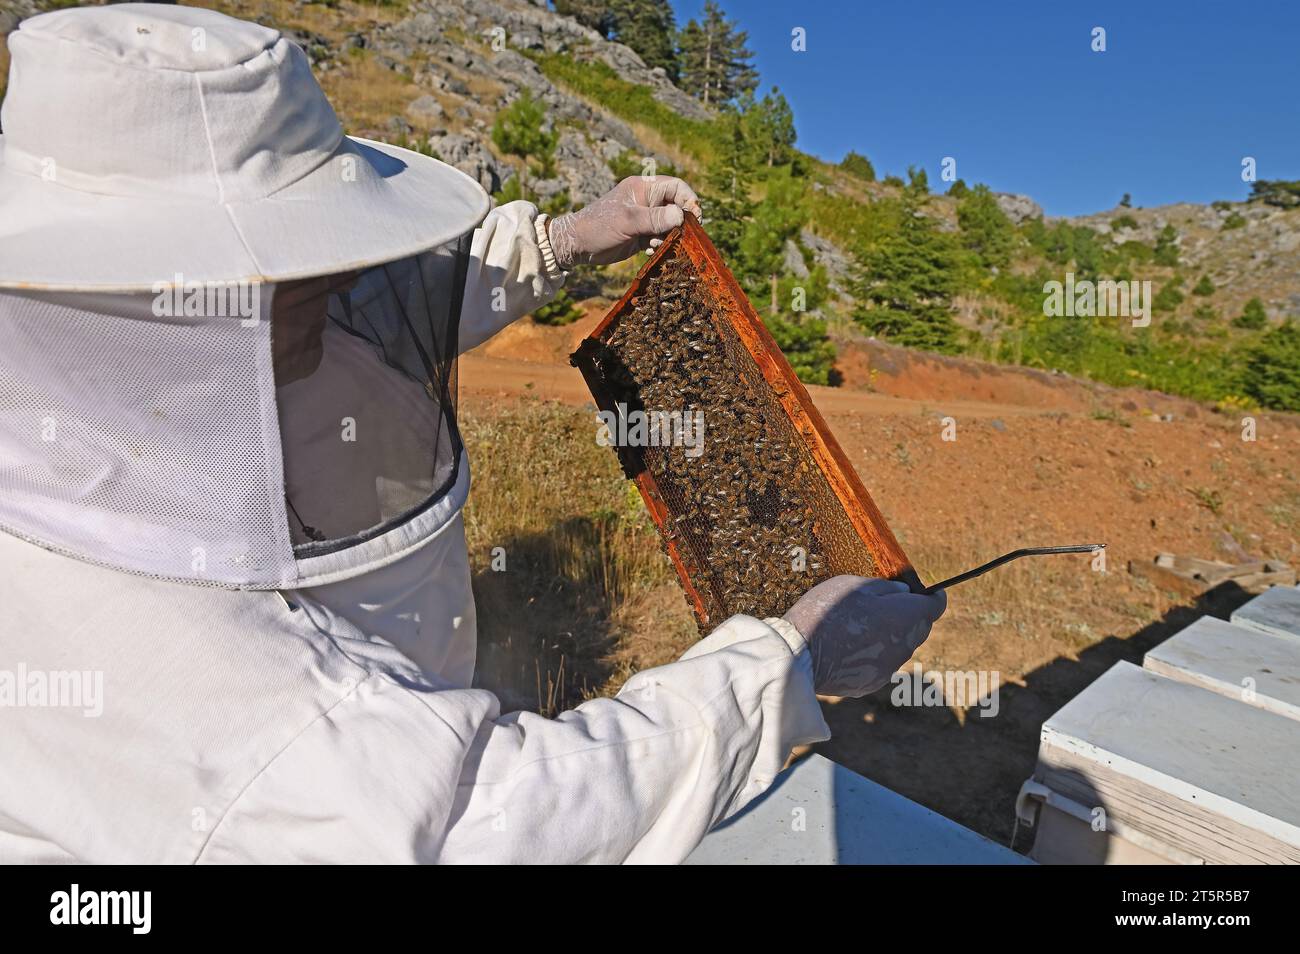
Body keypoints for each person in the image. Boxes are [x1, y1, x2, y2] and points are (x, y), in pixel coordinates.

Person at [0, 4, 944, 863]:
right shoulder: (217, 703)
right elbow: (487, 821)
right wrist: (785, 664)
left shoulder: (127, 348)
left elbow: (380, 314)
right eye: (297, 264)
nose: (332, 281)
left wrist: (564, 240)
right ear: (167, 290)